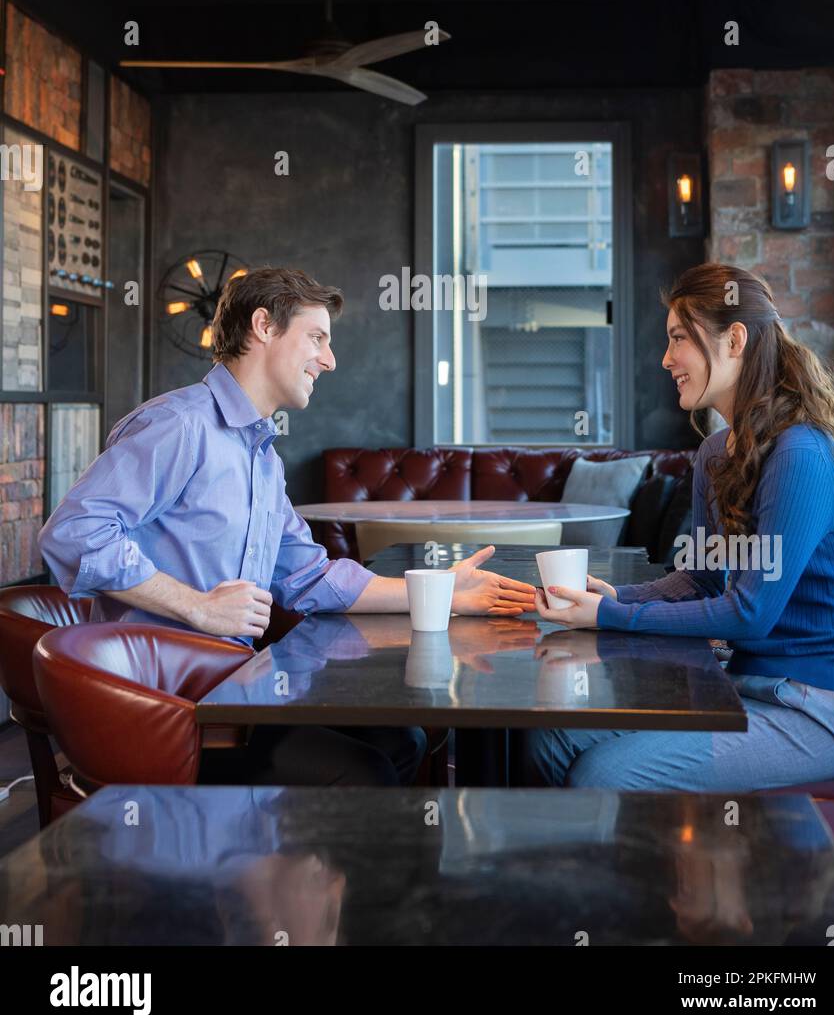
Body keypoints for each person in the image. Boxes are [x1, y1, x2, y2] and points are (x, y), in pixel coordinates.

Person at [39, 265, 535, 787]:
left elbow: (310, 576)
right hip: (168, 711)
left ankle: (305, 863)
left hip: (232, 690)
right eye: (317, 338)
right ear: (264, 327)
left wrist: (445, 591)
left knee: (403, 740)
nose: (330, 359)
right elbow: (73, 533)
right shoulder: (180, 424)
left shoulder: (261, 457)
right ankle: (281, 859)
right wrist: (198, 606)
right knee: (365, 771)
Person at [521, 262, 834, 791]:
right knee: (549, 737)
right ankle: (590, 868)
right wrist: (612, 596)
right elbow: (699, 579)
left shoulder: (801, 453)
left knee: (604, 774)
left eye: (678, 338)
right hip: (743, 686)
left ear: (734, 340)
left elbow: (750, 613)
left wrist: (612, 615)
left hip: (816, 709)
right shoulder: (714, 454)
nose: (666, 359)